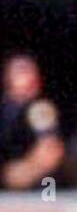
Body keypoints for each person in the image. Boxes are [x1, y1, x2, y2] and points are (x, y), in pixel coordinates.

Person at [1, 54, 64, 191]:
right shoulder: (6, 108)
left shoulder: (39, 109)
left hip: (38, 188)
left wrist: (27, 171)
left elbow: (51, 151)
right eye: (20, 70)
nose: (26, 76)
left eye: (27, 70)